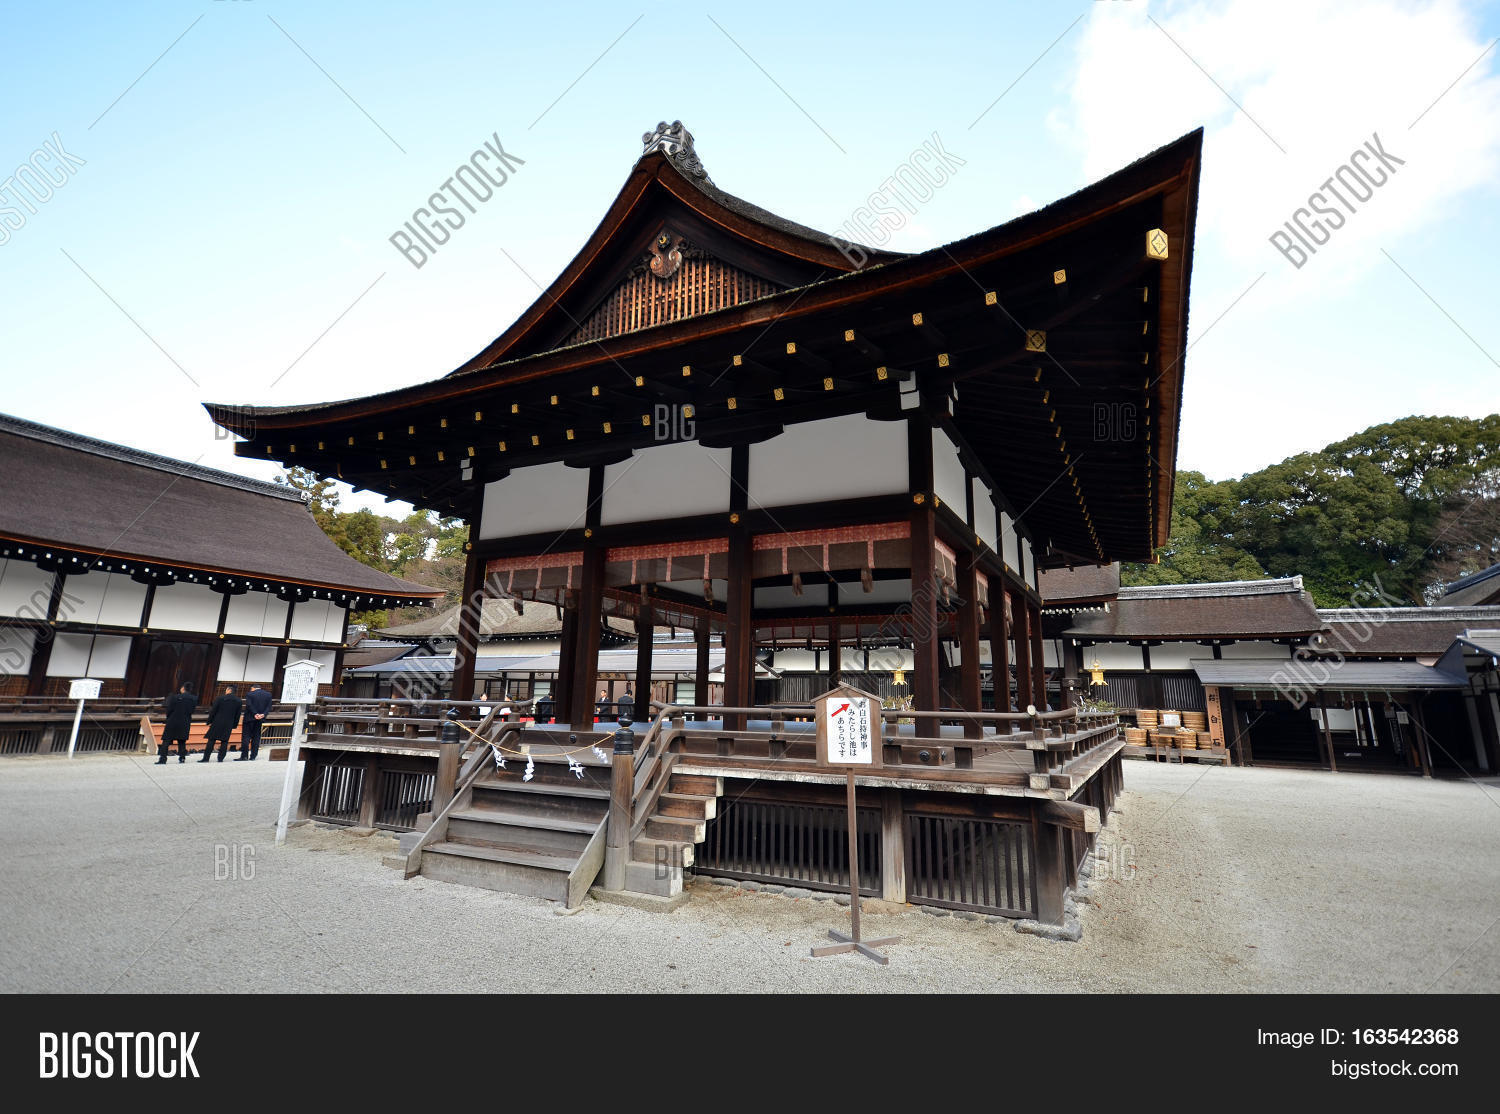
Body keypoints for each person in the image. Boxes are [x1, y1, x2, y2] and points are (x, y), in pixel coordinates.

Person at [200, 685, 243, 763]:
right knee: (224, 741)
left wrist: (209, 721)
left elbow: (213, 711)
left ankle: (206, 758)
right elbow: (238, 714)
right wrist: (234, 725)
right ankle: (220, 758)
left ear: (229, 690)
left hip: (217, 721)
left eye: (226, 689)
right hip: (229, 723)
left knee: (211, 739)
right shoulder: (238, 701)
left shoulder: (220, 698)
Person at [157, 684, 196, 765]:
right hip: (185, 721)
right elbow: (192, 710)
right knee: (181, 741)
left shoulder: (175, 697)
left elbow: (169, 709)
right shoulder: (194, 698)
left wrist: (169, 718)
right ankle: (182, 758)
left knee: (166, 741)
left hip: (173, 720)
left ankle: (163, 759)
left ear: (183, 688)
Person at [238, 683, 274, 760]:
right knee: (256, 737)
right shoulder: (268, 695)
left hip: (249, 718)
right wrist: (263, 714)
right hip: (260, 718)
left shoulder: (250, 694)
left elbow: (249, 705)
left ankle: (244, 756)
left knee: (246, 737)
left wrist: (255, 713)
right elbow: (269, 706)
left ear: (253, 688)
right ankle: (253, 756)